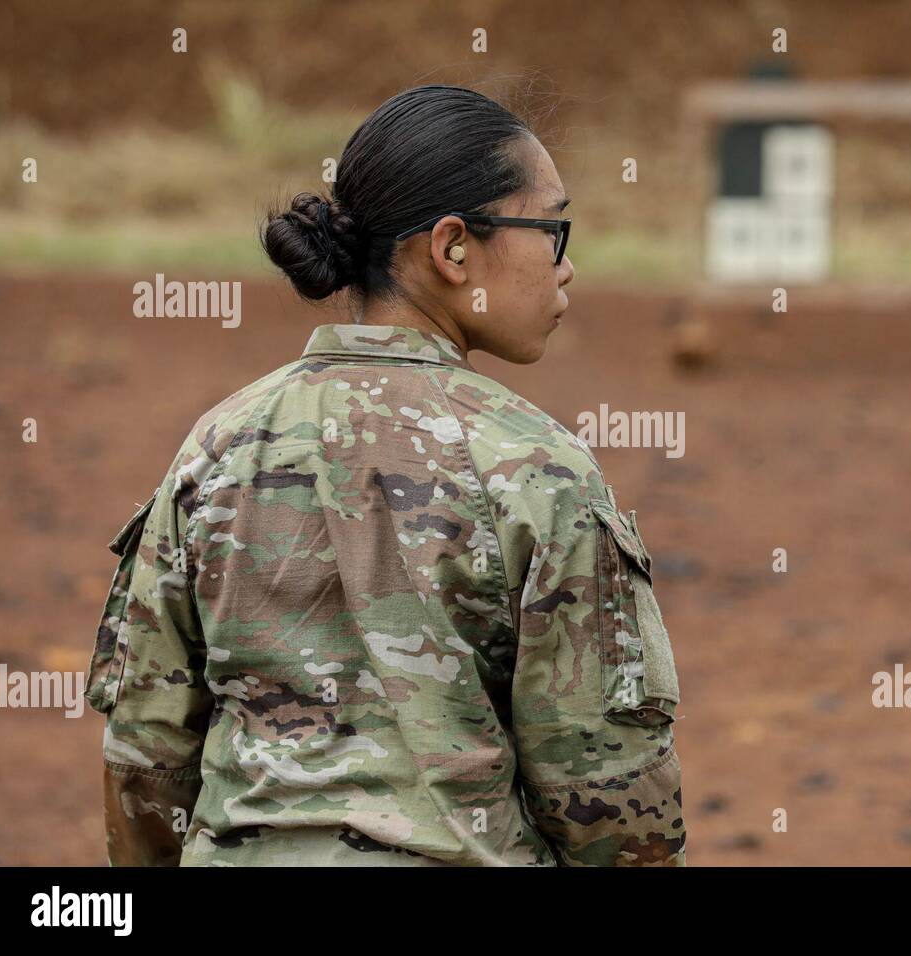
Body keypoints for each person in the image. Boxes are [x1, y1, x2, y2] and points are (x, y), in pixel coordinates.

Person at [84, 84, 686, 866]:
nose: (566, 267)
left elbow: (145, 755)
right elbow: (610, 799)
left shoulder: (215, 448)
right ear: (453, 247)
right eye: (552, 230)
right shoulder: (539, 471)